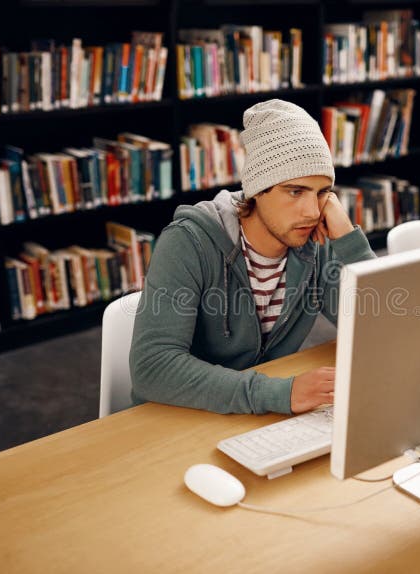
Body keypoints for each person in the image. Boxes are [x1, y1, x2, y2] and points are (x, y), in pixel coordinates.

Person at [129, 99, 375, 415]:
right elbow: (153, 367)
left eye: (323, 192)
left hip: (255, 417)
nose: (313, 211)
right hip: (178, 416)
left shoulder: (317, 243)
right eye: (296, 191)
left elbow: (383, 332)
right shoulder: (189, 242)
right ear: (258, 190)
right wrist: (278, 394)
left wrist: (350, 242)